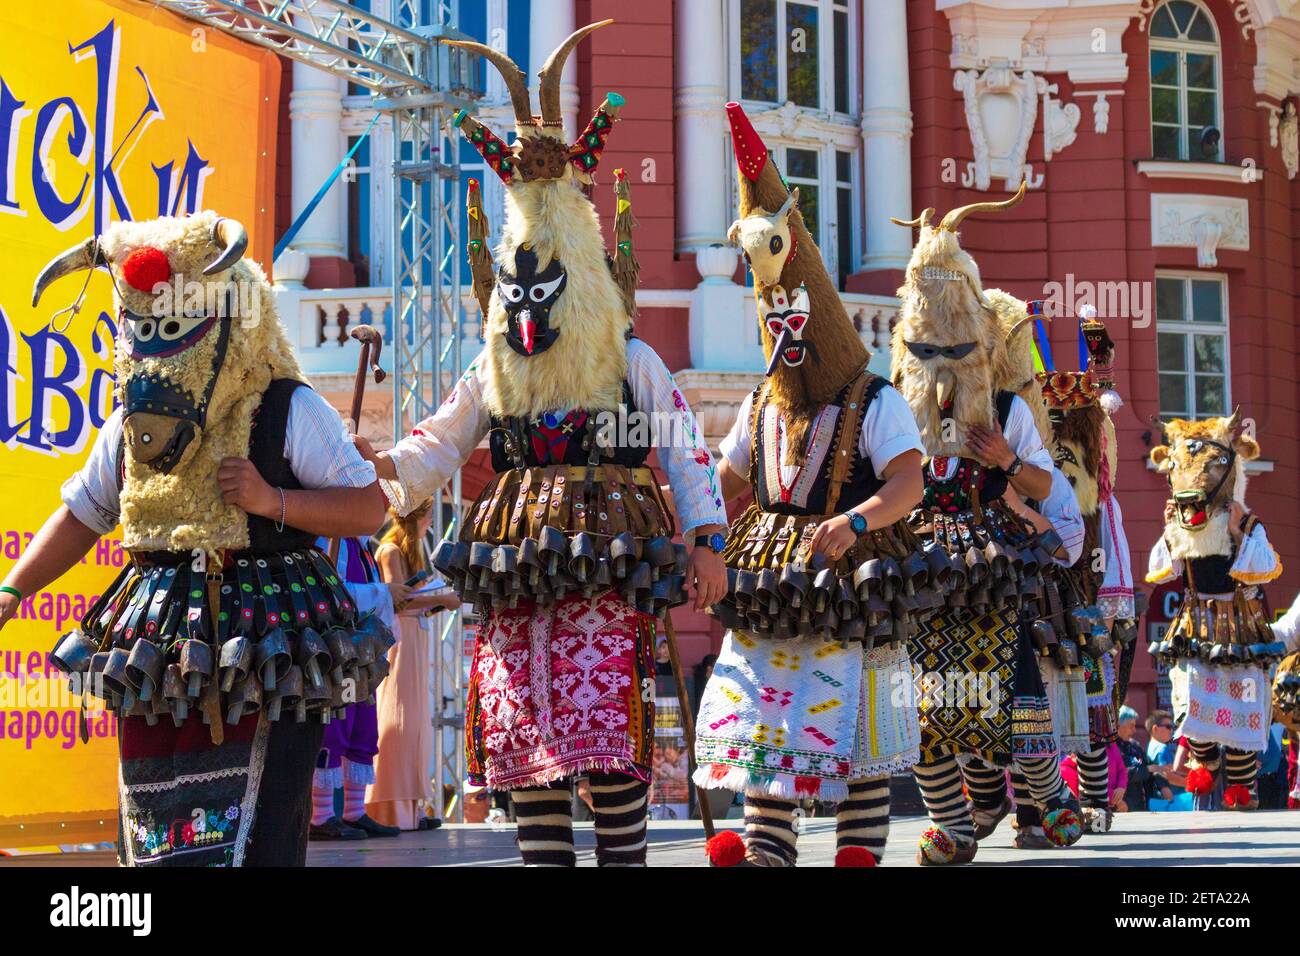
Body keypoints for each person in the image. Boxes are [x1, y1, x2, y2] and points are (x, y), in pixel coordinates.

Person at [353, 20, 728, 867]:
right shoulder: (495, 365)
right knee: (521, 734)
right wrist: (382, 475)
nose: (530, 301)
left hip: (606, 555)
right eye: (521, 279)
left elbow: (680, 448)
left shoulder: (625, 355)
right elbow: (439, 440)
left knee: (603, 729)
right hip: (517, 560)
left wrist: (707, 540)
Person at [2, 212, 386, 866]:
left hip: (271, 637)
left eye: (174, 324)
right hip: (161, 638)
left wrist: (276, 502)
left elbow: (369, 506)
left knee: (262, 834)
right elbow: (86, 511)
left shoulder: (288, 407)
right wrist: (12, 589)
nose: (158, 343)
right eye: (144, 327)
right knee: (154, 825)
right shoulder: (129, 424)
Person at [692, 103, 925, 868]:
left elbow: (909, 482)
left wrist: (855, 523)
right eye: (776, 326)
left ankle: (856, 854)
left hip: (857, 577)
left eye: (799, 325)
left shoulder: (875, 396)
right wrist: (696, 535)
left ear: (819, 323)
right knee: (765, 718)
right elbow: (725, 479)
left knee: (853, 729)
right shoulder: (760, 402)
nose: (788, 341)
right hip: (770, 578)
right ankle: (766, 852)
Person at [889, 189, 1082, 864]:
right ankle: (952, 821)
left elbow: (1044, 485)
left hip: (992, 560)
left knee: (1018, 685)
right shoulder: (891, 406)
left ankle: (1049, 797)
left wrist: (1003, 460)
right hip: (916, 566)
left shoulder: (1005, 406)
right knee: (920, 701)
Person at [1147, 412, 1283, 812]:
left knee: (1240, 702)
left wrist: (1240, 533)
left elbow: (1262, 570)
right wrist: (1170, 531)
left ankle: (1241, 786)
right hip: (1196, 626)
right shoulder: (1183, 525)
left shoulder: (1247, 522)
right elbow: (1164, 571)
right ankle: (1203, 764)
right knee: (1192, 698)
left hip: (1239, 626)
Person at [367, 501, 461, 830]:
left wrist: (439, 603)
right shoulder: (391, 549)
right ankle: (390, 807)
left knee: (417, 722)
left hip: (415, 638)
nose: (430, 523)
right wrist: (441, 599)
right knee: (399, 719)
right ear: (417, 518)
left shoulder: (409, 551)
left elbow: (414, 603)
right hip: (400, 640)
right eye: (427, 517)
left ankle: (411, 807)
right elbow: (399, 601)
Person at [309, 535, 401, 840]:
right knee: (336, 725)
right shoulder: (329, 538)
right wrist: (386, 591)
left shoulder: (361, 544)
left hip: (364, 648)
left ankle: (354, 812)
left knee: (363, 727)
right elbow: (331, 589)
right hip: (339, 646)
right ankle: (321, 817)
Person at [1145, 710, 1186, 798]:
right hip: (1175, 800)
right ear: (1155, 728)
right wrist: (1191, 784)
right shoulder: (1162, 749)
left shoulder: (1150, 747)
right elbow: (1169, 776)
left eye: (1172, 727)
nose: (1171, 730)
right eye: (1168, 727)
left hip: (1158, 798)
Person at [1115, 706, 1150, 811]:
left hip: (1140, 804)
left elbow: (1147, 772)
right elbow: (1120, 774)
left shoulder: (1135, 746)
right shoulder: (1111, 748)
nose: (1134, 730)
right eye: (1131, 726)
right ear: (1118, 726)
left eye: (1135, 726)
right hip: (1121, 805)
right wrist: (1148, 770)